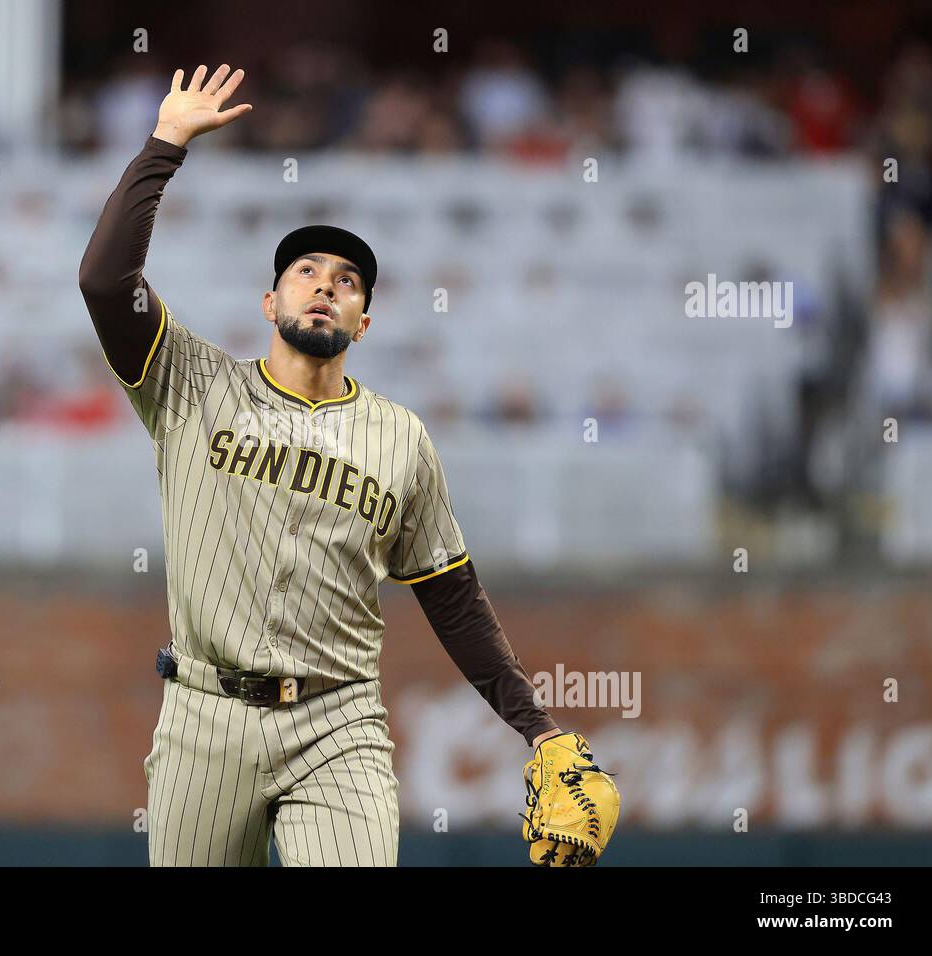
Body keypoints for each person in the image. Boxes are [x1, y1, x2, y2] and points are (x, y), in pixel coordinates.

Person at [79, 65, 583, 867]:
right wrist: (164, 145)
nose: (325, 286)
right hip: (205, 714)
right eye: (305, 273)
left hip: (337, 723)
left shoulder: (400, 437)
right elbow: (105, 282)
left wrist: (539, 729)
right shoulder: (190, 382)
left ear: (365, 319)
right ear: (270, 304)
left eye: (346, 281)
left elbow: (453, 600)